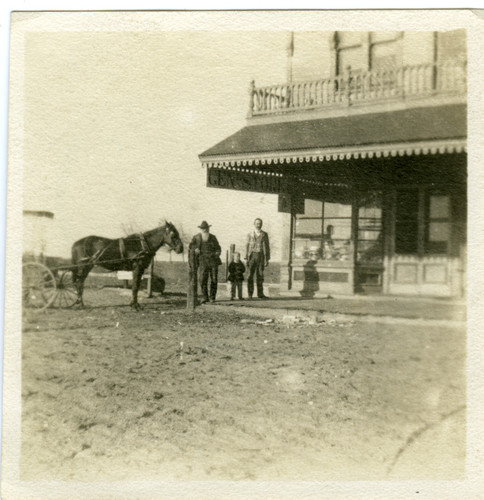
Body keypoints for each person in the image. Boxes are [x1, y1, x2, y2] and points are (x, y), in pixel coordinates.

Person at [190, 221, 222, 304]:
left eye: (206, 228)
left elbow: (218, 248)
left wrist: (217, 253)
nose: (204, 230)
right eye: (203, 228)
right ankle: (205, 297)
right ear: (200, 229)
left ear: (208, 229)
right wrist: (195, 249)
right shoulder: (196, 238)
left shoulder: (213, 238)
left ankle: (212, 297)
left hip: (213, 261)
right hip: (202, 261)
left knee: (214, 279)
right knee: (202, 279)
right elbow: (191, 246)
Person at [245, 218, 270, 299]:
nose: (258, 225)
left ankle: (260, 294)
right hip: (252, 256)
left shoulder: (264, 234)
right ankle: (250, 294)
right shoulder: (250, 234)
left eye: (259, 223)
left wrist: (267, 259)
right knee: (250, 275)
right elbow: (246, 246)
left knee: (260, 275)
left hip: (261, 256)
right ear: (254, 224)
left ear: (261, 224)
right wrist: (246, 258)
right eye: (256, 223)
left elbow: (267, 247)